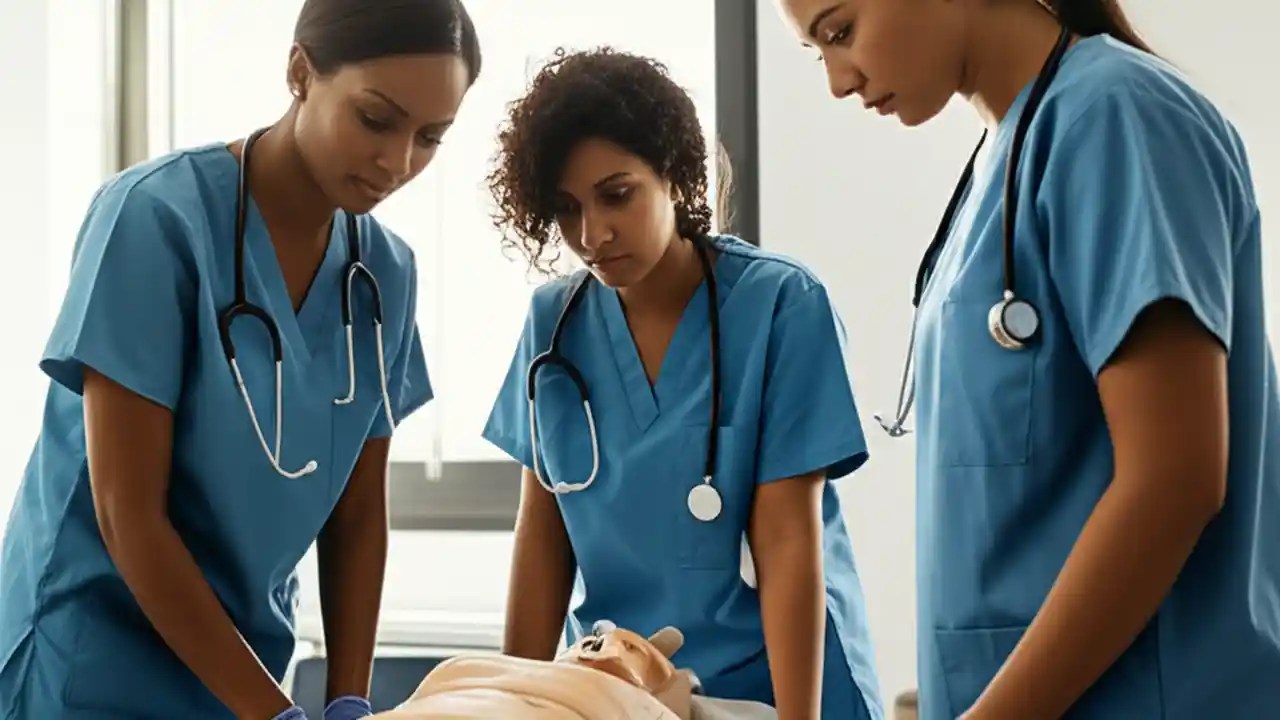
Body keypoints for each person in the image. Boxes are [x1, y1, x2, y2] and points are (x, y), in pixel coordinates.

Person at [774, 0, 1280, 718]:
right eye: (816, 50)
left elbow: (1175, 479)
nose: (836, 80)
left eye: (840, 31)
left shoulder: (1115, 116)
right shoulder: (1006, 157)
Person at [0, 1, 481, 717]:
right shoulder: (154, 220)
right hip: (90, 663)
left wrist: (350, 697)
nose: (398, 161)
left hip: (242, 670)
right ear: (299, 72)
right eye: (376, 120)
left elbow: (355, 516)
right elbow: (124, 511)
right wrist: (272, 713)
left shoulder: (384, 275)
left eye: (431, 137)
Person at [481, 47, 884, 720]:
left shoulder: (780, 303)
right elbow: (543, 534)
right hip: (628, 692)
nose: (593, 234)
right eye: (566, 208)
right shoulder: (555, 324)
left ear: (673, 173)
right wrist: (515, 701)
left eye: (617, 195)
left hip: (784, 685)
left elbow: (788, 540)